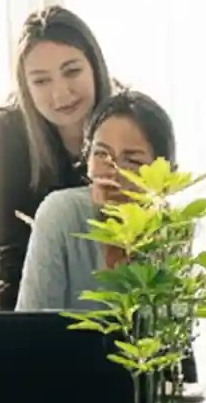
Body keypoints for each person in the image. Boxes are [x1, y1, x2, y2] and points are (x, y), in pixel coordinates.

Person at [0, 5, 114, 311]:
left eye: (72, 71)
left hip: (113, 285)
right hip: (43, 289)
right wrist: (15, 333)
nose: (61, 94)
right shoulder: (9, 128)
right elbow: (10, 250)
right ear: (26, 86)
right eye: (41, 81)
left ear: (94, 66)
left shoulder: (126, 119)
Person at [17, 90, 175, 311]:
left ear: (165, 176)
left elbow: (173, 326)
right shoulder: (60, 214)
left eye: (132, 161)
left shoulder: (172, 231)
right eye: (101, 154)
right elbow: (30, 324)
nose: (113, 171)